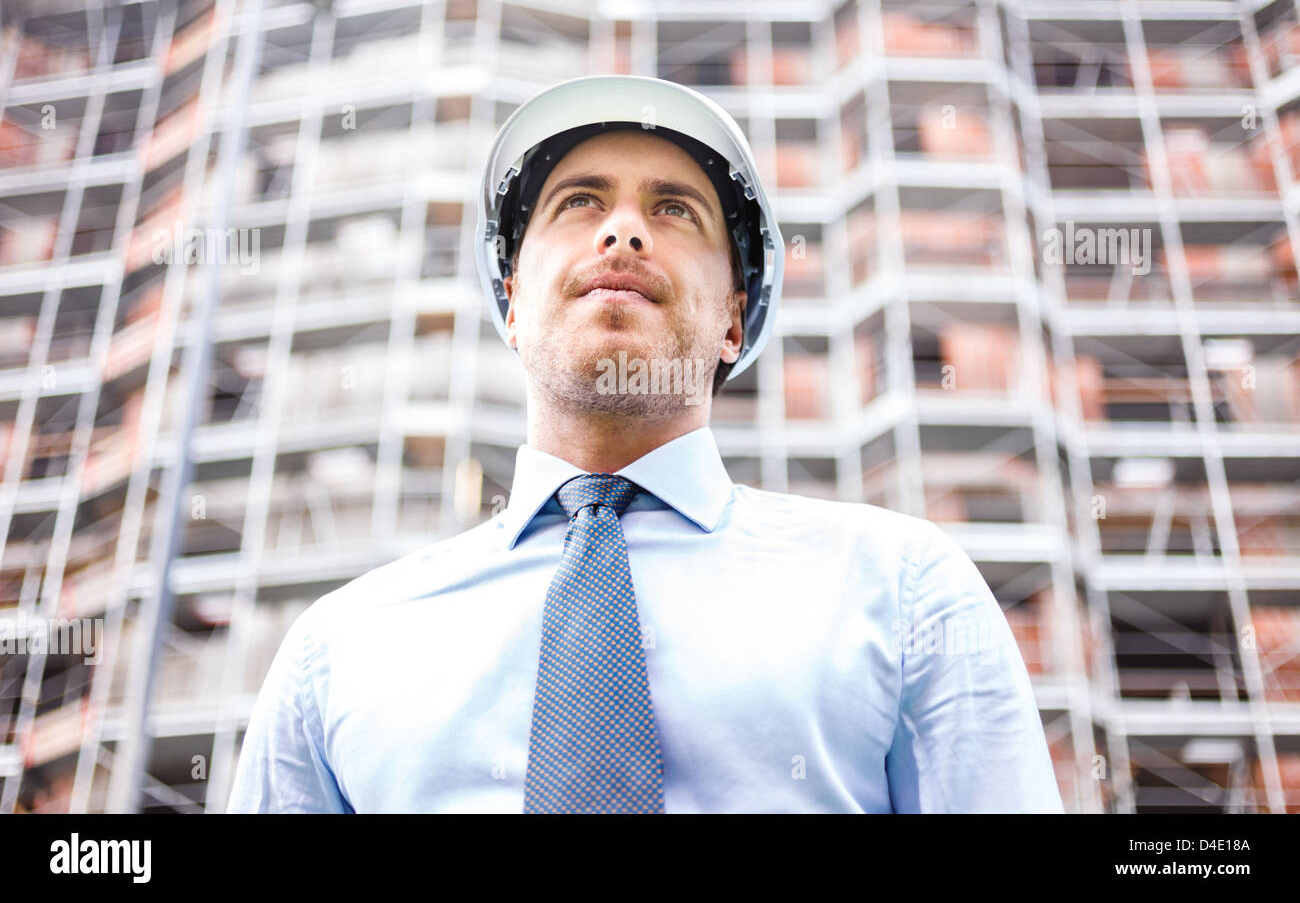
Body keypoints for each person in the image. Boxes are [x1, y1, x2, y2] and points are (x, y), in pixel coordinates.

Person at [227, 75, 1063, 813]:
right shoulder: (336, 651)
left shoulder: (903, 590)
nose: (623, 232)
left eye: (674, 209)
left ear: (734, 319)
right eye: (579, 201)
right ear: (511, 305)